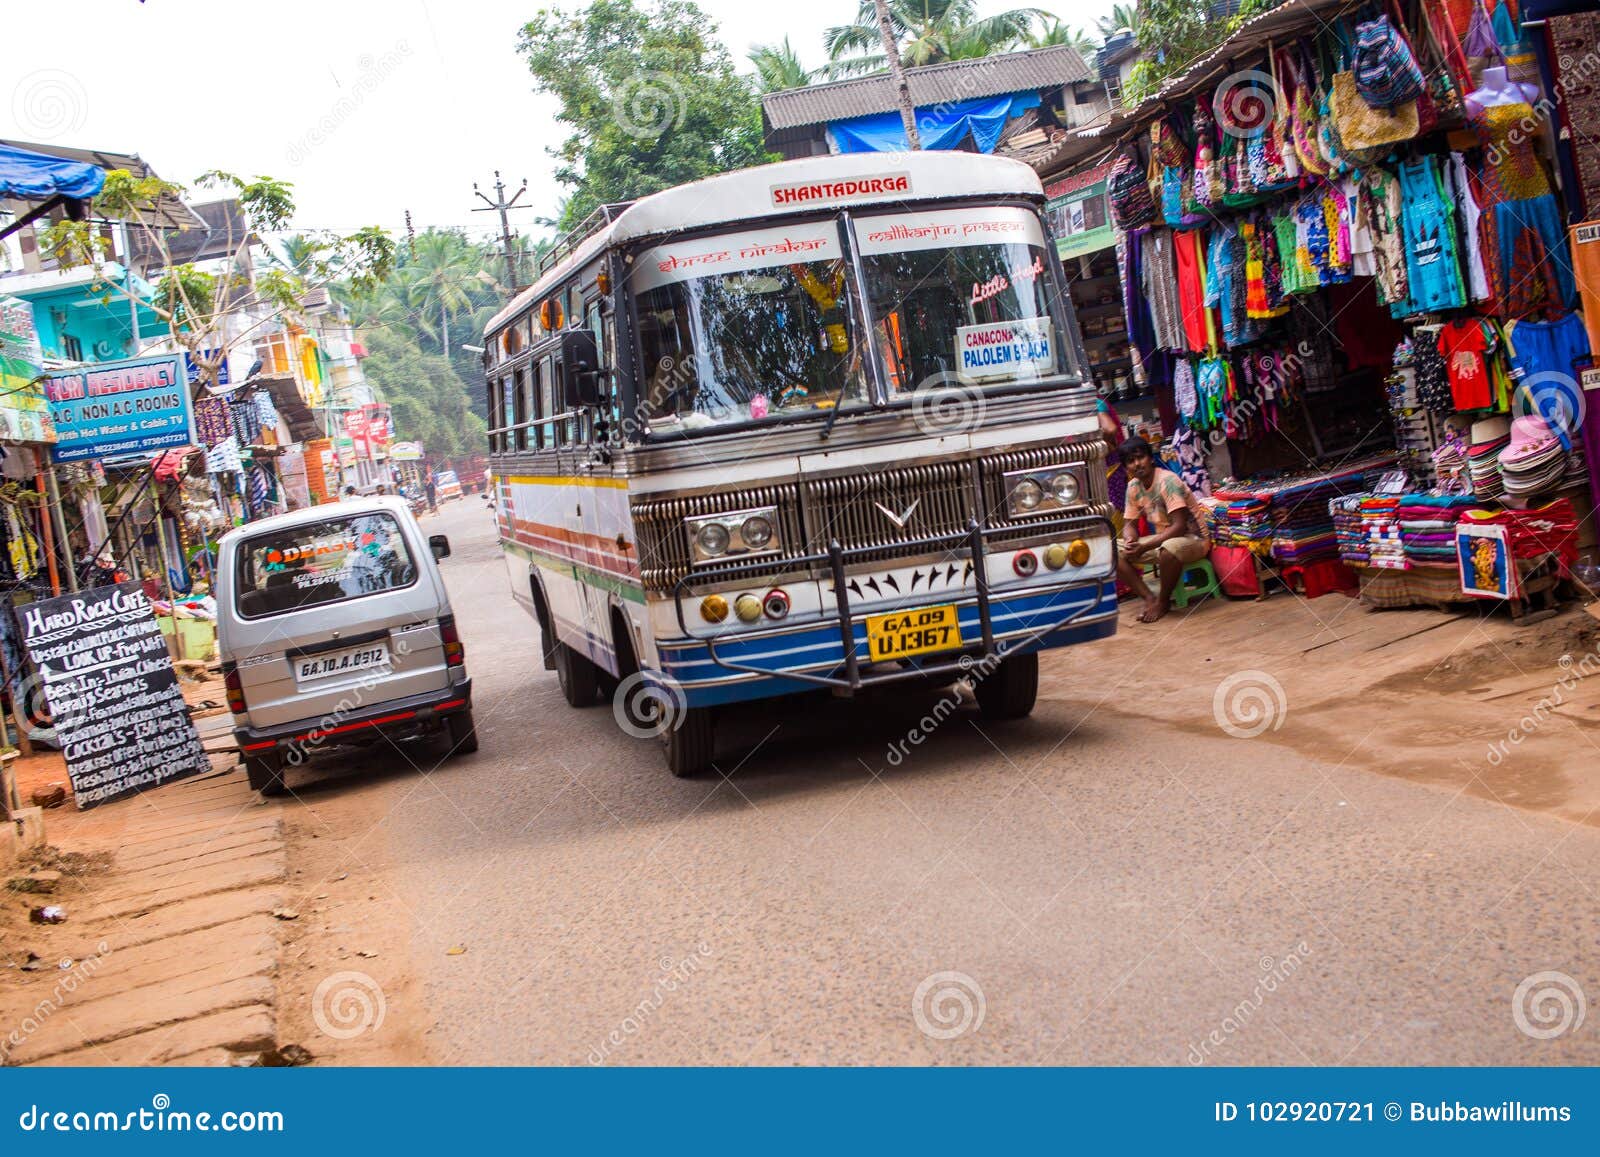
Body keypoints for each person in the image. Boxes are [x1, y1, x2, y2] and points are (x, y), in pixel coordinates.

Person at [1114, 436, 1210, 623]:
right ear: (1126, 468)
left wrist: (1144, 547)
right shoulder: (1133, 486)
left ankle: (1163, 601)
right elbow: (1129, 524)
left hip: (1194, 540)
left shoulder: (1167, 481)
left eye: (1140, 457)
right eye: (1131, 461)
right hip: (1164, 540)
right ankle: (1149, 598)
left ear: (1150, 458)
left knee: (1168, 550)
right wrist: (1130, 541)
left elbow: (1180, 527)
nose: (1137, 464)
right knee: (1108, 552)